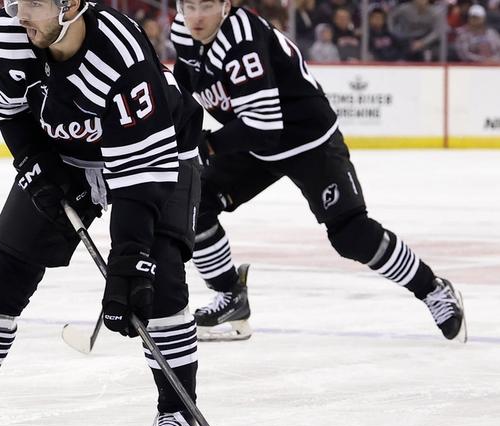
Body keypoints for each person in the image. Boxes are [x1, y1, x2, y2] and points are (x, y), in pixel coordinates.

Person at [0, 0, 204, 426]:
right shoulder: (12, 35)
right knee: (3, 274)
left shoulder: (120, 53)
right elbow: (7, 112)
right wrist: (35, 164)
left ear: (71, 5)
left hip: (161, 154)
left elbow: (141, 178)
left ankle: (178, 416)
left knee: (160, 280)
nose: (20, 14)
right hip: (66, 156)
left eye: (34, 2)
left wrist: (129, 263)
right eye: (16, 1)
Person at [170, 0, 467, 342]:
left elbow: (264, 126)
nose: (196, 16)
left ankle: (433, 289)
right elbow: (187, 83)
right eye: (189, 6)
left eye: (206, 6)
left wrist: (205, 146)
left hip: (307, 140)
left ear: (225, 6)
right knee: (197, 202)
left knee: (351, 234)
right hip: (255, 141)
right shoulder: (184, 31)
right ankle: (230, 296)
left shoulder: (242, 40)